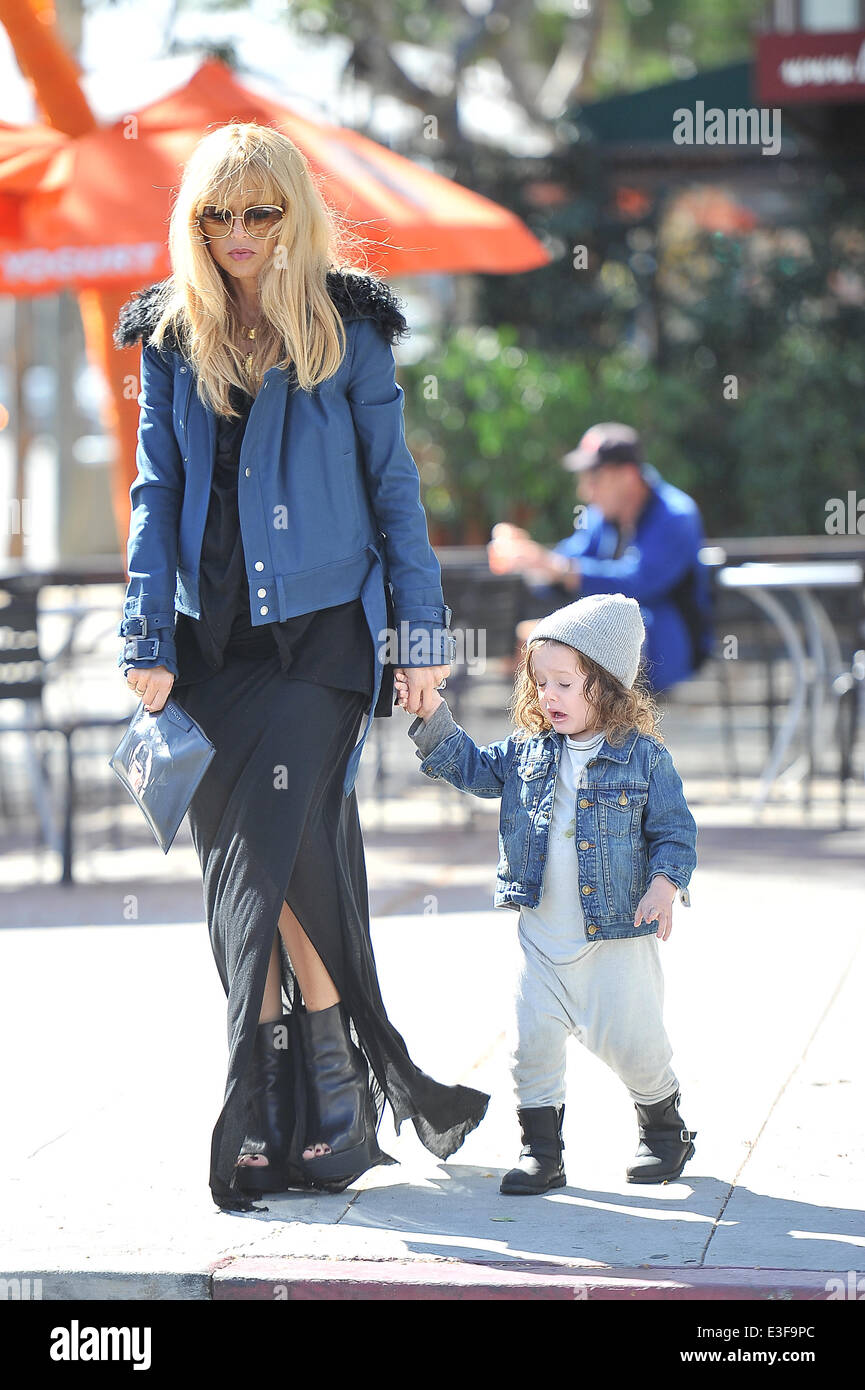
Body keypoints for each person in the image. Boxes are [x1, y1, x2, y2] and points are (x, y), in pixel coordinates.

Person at [113, 121, 488, 1213]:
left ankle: (300, 1106)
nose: (237, 234)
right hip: (207, 646)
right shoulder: (170, 334)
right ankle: (314, 1112)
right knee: (257, 871)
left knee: (274, 854)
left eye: (260, 212)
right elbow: (155, 495)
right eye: (215, 214)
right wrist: (142, 634)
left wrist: (420, 640)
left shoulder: (350, 327)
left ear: (294, 212)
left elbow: (394, 490)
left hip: (322, 637)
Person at [397, 593, 698, 1194]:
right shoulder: (529, 753)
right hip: (542, 941)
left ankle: (665, 1132)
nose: (548, 697)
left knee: (638, 1048)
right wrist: (431, 714)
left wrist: (664, 886)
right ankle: (542, 1151)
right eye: (541, 683)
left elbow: (675, 833)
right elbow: (473, 768)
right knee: (529, 1046)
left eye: (565, 683)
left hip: (615, 942)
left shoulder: (643, 760)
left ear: (607, 686)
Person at [487, 422, 714, 692]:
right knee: (533, 641)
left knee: (551, 647)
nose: (585, 491)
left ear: (628, 475)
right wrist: (530, 558)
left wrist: (560, 569)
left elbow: (638, 584)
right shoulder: (602, 516)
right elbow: (566, 562)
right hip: (612, 646)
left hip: (668, 651)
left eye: (595, 477)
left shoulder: (676, 515)